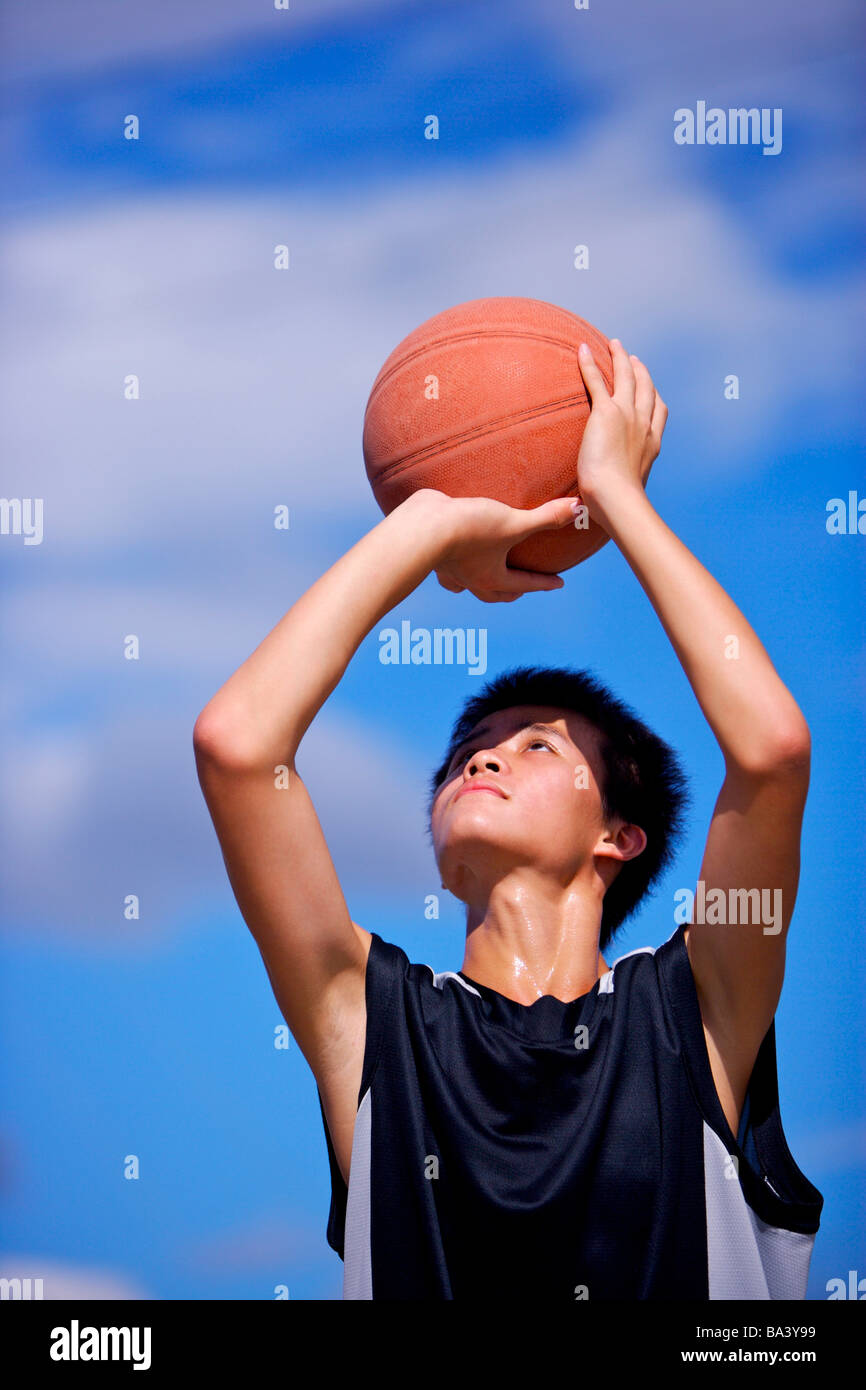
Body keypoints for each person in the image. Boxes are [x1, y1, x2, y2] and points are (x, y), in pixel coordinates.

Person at [193, 338, 822, 1299]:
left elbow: (770, 751)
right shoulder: (374, 1027)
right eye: (465, 751)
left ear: (620, 834)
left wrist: (617, 498)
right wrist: (429, 527)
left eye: (537, 745)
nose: (482, 755)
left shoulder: (697, 1010)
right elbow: (239, 744)